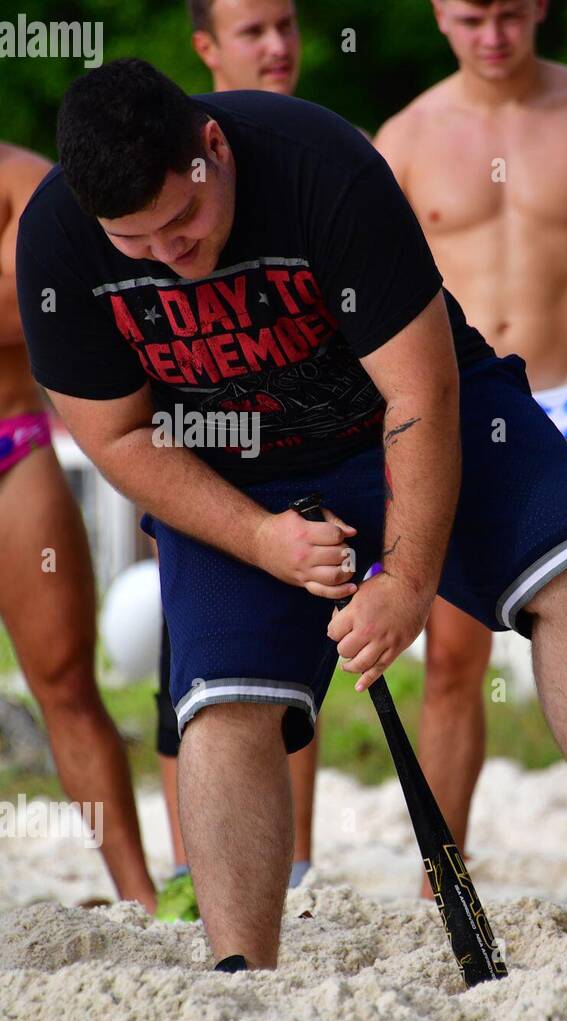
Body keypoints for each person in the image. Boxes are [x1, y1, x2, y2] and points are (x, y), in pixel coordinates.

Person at [18, 59, 567, 971]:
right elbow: (117, 436)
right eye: (136, 243)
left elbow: (420, 393)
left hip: (410, 411)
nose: (170, 255)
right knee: (222, 706)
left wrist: (409, 581)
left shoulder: (321, 166)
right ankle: (240, 972)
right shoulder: (57, 240)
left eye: (182, 221)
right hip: (227, 464)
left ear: (210, 149)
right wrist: (259, 536)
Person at [375, 0, 567, 884]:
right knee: (452, 662)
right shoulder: (403, 140)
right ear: (439, 12)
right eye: (472, 16)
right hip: (463, 408)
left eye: (511, 13)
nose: (493, 35)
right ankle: (443, 881)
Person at [152, 0, 311, 921]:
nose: (278, 46)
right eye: (254, 31)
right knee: (197, 668)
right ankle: (194, 872)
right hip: (204, 451)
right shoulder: (157, 167)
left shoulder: (324, 151)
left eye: (286, 24)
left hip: (320, 440)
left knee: (311, 664)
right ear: (207, 47)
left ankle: (300, 862)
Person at [0, 140, 155, 912]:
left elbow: (42, 302)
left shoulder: (25, 180)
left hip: (11, 440)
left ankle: (139, 897)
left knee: (65, 680)